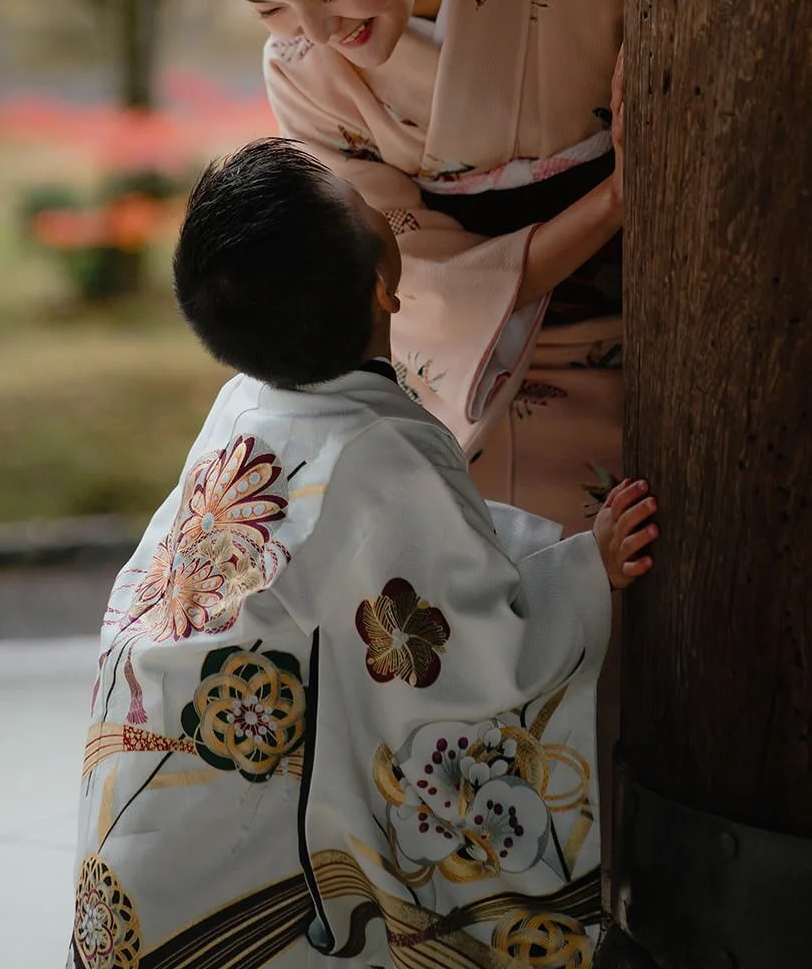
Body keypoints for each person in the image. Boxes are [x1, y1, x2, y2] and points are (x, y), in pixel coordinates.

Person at [67, 139, 656, 969]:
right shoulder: (380, 454)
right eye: (352, 195)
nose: (367, 194)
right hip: (252, 853)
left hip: (157, 834)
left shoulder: (242, 407)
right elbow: (477, 657)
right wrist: (583, 573)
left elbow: (391, 558)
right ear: (385, 286)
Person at [181, 0, 625, 535]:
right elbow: (407, 276)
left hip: (675, 326)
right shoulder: (300, 71)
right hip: (486, 381)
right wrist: (621, 198)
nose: (314, 34)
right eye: (268, 9)